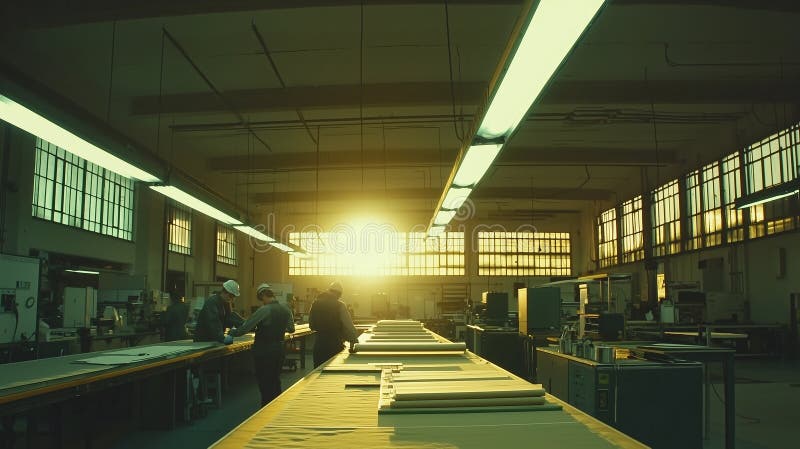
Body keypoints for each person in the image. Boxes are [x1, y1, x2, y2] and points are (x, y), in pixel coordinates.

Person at [230, 283, 295, 406]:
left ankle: (266, 409)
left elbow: (245, 327)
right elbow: (291, 329)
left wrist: (231, 333)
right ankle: (277, 408)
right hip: (279, 349)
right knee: (275, 380)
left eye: (261, 299)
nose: (262, 302)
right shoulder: (286, 309)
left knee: (264, 381)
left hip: (264, 351)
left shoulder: (264, 310)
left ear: (263, 295)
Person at [308, 281, 358, 367]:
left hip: (319, 345)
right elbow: (348, 326)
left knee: (317, 373)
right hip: (334, 345)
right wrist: (353, 340)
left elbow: (311, 324)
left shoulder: (315, 303)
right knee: (332, 372)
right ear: (339, 294)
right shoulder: (340, 305)